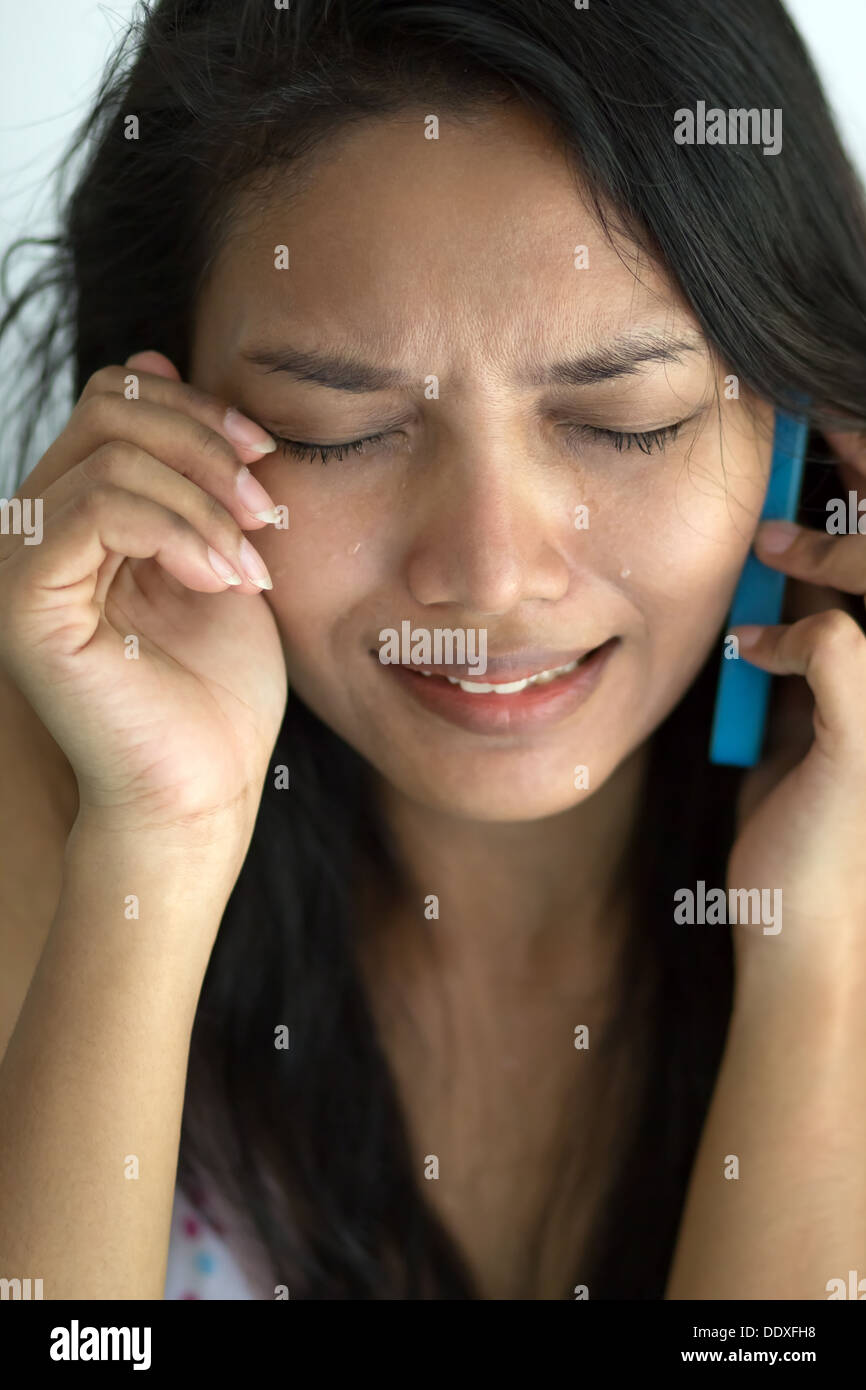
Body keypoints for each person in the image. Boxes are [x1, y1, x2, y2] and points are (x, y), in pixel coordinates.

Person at [1, 0, 865, 1302]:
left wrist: (818, 954)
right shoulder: (51, 794)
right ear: (152, 422)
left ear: (808, 445)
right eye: (334, 429)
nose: (488, 567)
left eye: (625, 421)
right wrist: (155, 842)